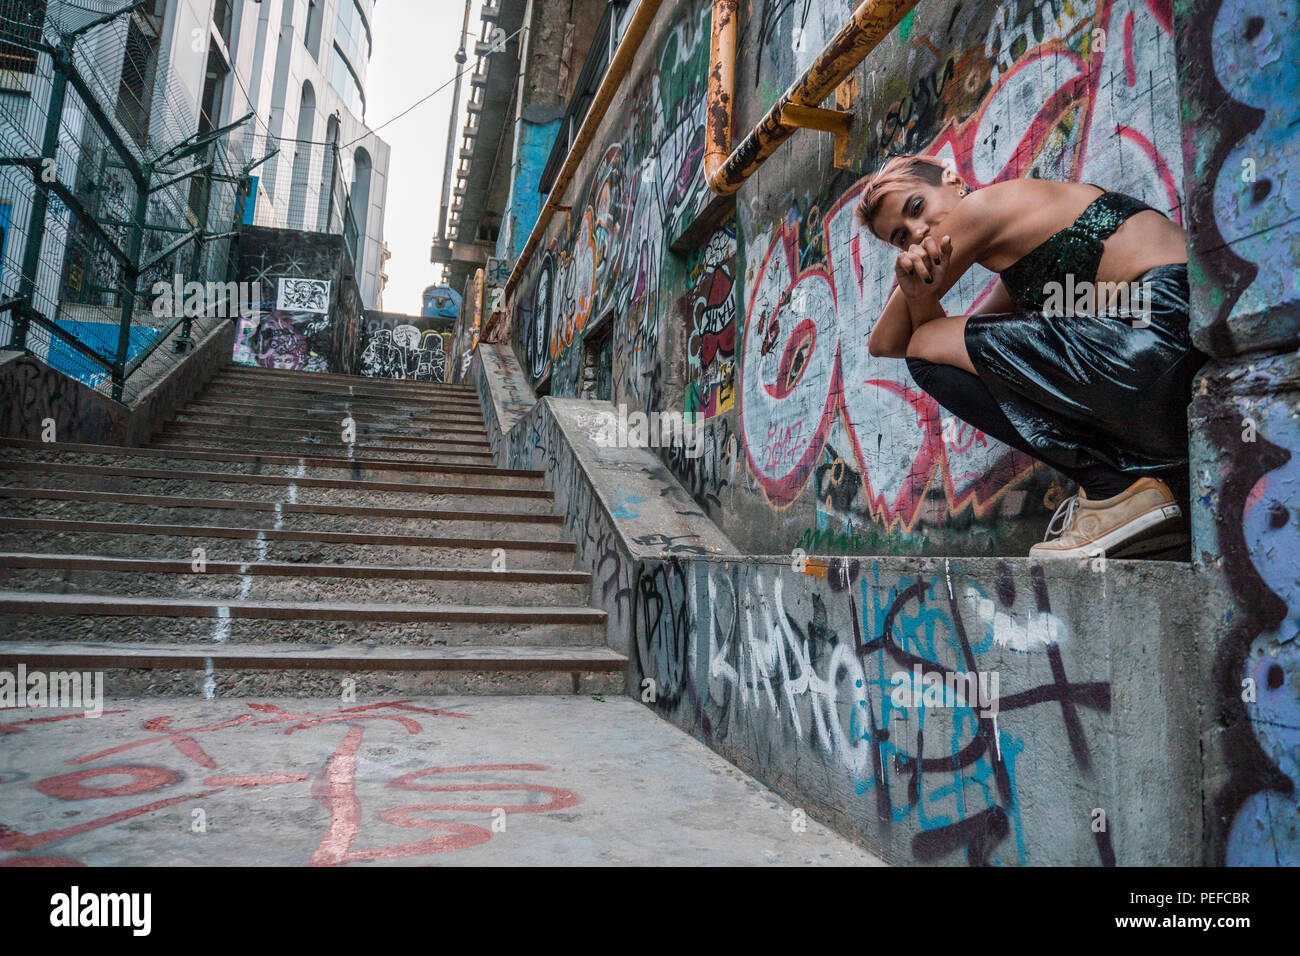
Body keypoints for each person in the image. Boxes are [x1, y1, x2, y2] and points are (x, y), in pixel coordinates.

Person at [855, 155, 1204, 559]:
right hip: (1172, 356)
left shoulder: (981, 208)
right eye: (902, 238)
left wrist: (919, 293)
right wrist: (921, 298)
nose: (919, 232)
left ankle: (1115, 491)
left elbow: (891, 342)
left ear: (952, 179)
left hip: (1160, 330)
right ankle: (1126, 492)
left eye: (916, 208)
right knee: (942, 349)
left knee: (928, 345)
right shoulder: (1019, 263)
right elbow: (954, 355)